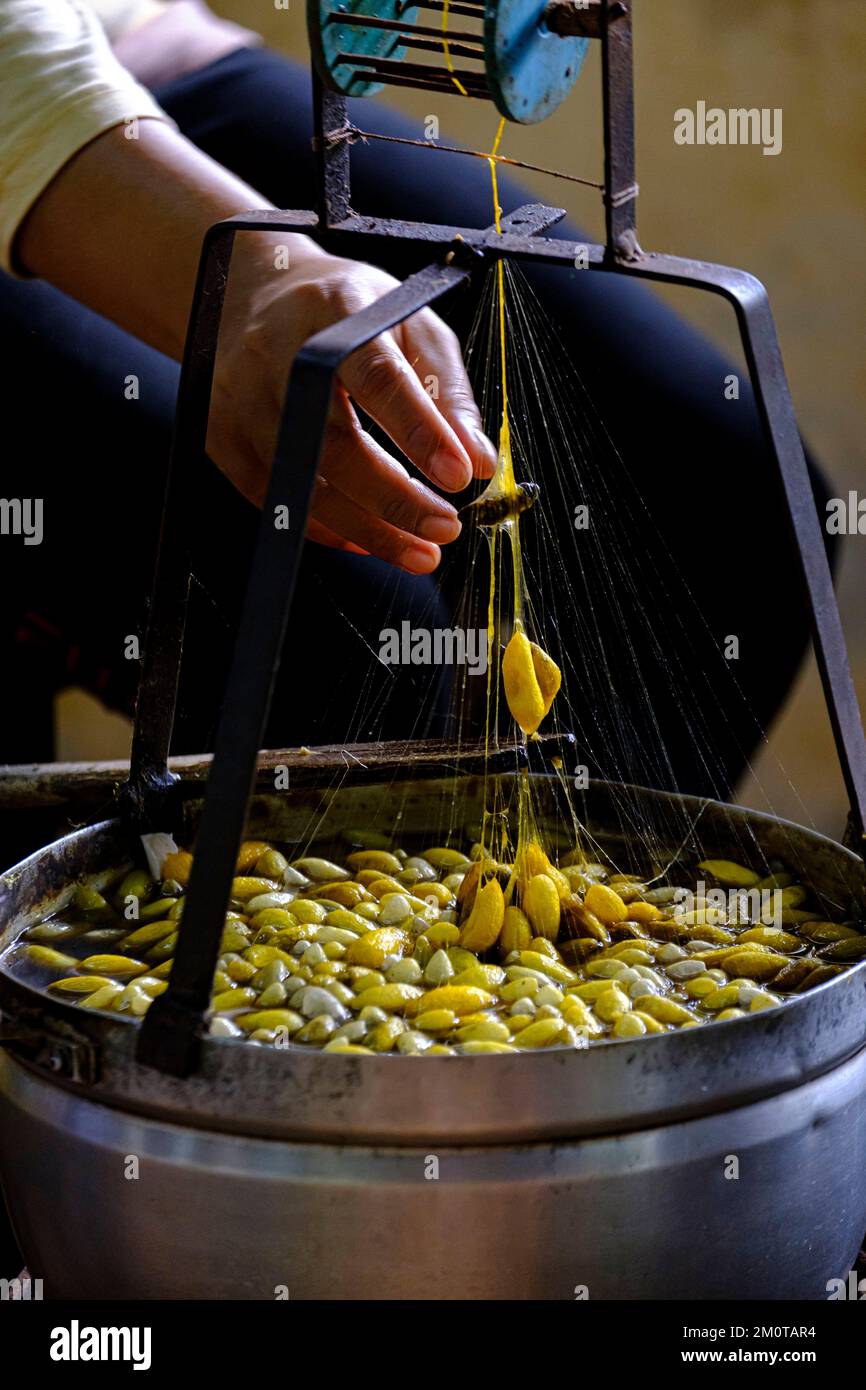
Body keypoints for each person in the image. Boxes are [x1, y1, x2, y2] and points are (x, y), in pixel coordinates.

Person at [0, 0, 835, 789]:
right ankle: (326, 930)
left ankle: (558, 913)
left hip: (137, 39)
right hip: (29, 76)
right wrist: (258, 283)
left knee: (734, 510)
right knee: (355, 639)